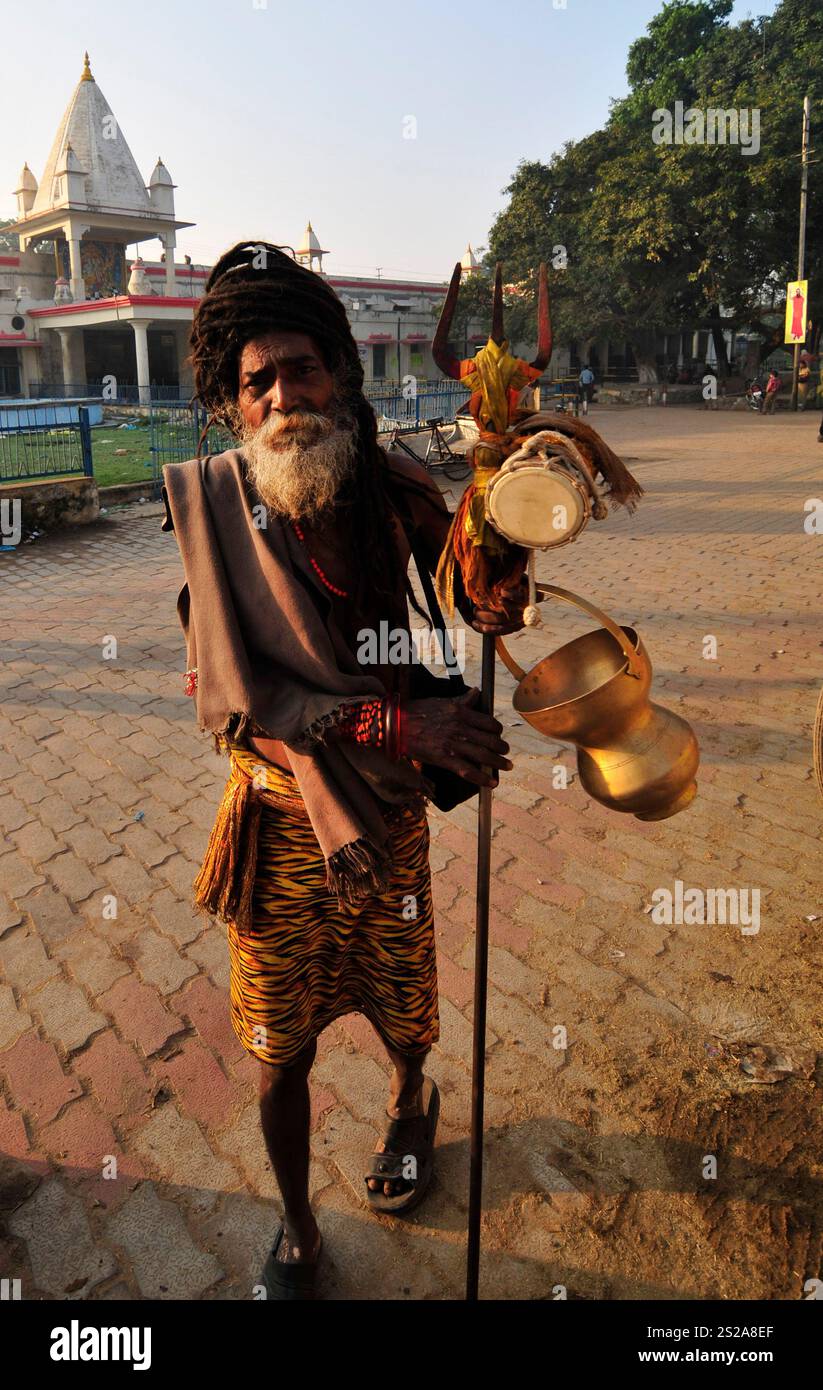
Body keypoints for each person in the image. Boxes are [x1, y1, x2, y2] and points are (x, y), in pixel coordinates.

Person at [161, 241, 530, 1299]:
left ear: (339, 374)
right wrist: (396, 725)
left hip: (391, 821)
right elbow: (233, 700)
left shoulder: (390, 483)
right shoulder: (213, 505)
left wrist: (500, 552)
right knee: (279, 1050)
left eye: (304, 369)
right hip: (281, 826)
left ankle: (414, 1104)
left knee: (408, 1008)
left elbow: (472, 593)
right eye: (258, 379)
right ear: (235, 404)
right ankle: (294, 1227)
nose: (286, 395)